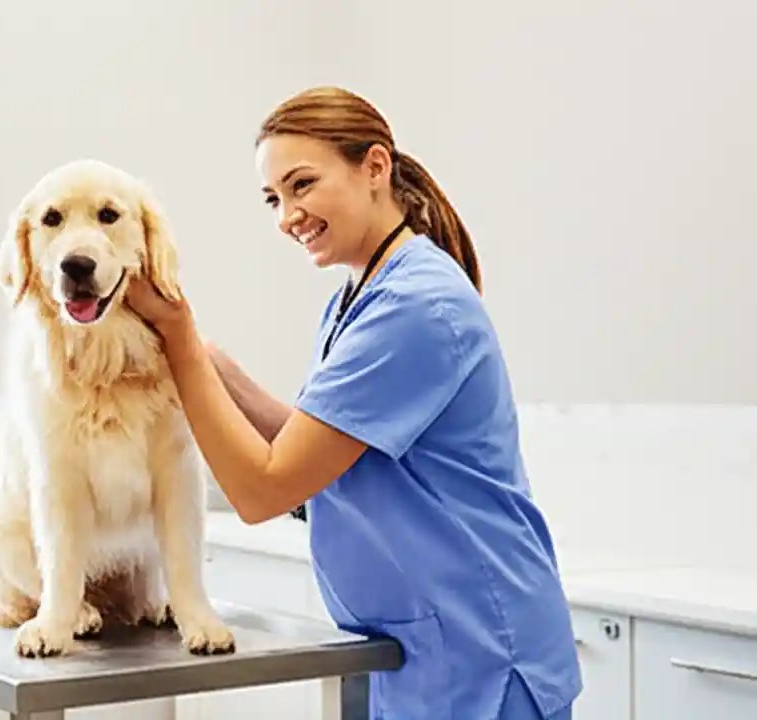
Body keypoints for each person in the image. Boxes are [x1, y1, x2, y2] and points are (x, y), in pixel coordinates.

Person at [124, 86, 582, 719]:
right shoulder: (356, 294)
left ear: (374, 168)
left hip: (477, 649)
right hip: (421, 649)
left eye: (302, 185)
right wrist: (213, 364)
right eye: (273, 198)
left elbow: (265, 488)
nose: (287, 215)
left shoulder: (414, 307)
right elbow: (324, 452)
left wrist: (179, 341)